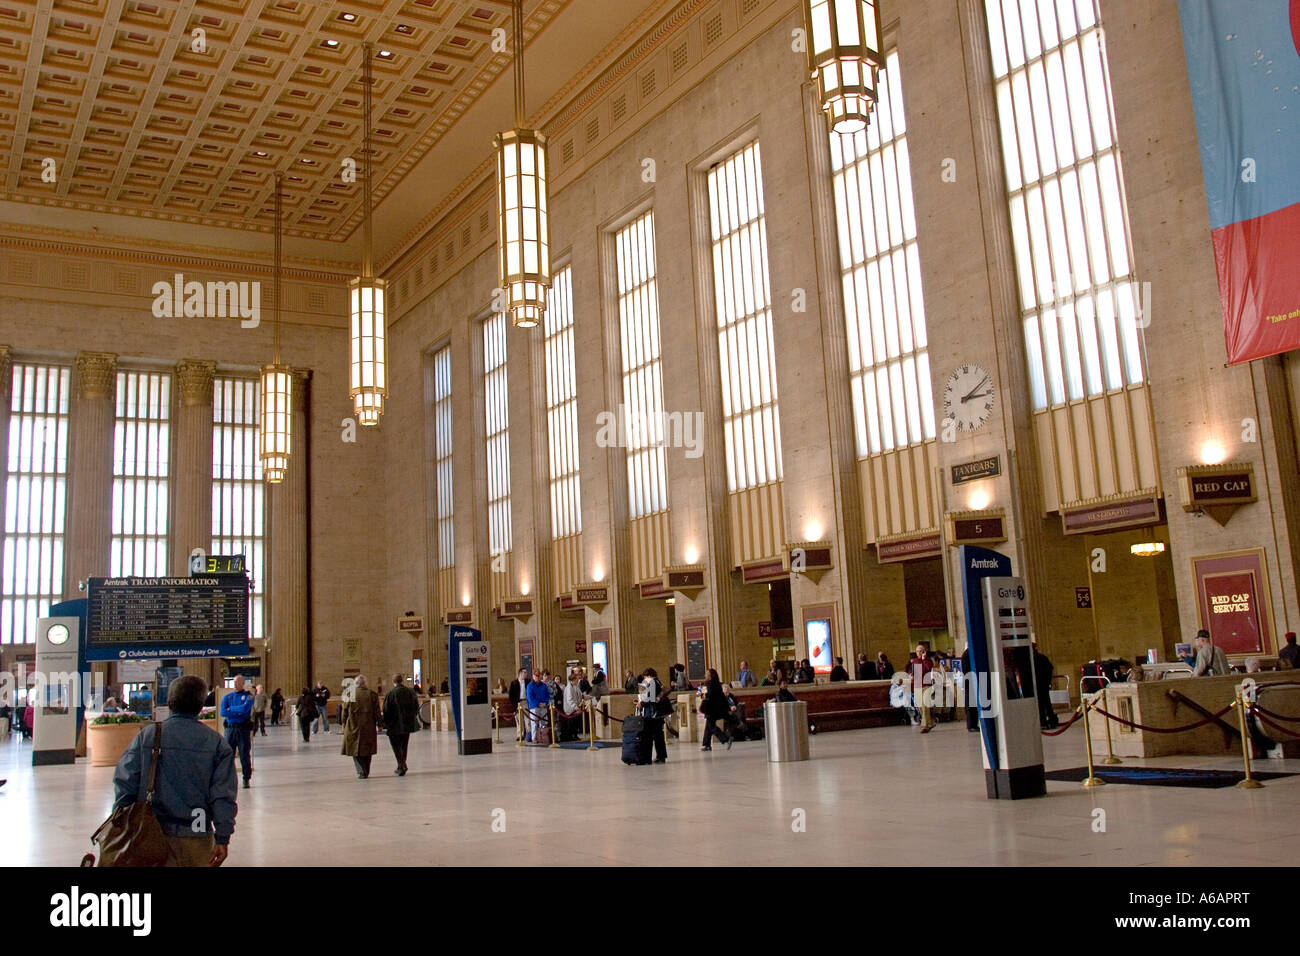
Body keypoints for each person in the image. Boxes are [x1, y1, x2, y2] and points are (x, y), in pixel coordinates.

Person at [112, 675, 236, 866]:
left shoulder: (147, 736)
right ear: (201, 705)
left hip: (151, 834)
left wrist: (120, 823)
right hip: (198, 834)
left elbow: (125, 783)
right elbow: (223, 796)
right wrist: (222, 837)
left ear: (169, 702)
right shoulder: (217, 743)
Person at [219, 675, 255, 788]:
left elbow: (245, 710)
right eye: (234, 682)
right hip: (230, 729)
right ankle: (228, 779)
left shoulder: (249, 696)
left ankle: (246, 778)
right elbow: (223, 712)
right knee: (228, 755)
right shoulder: (228, 697)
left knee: (244, 754)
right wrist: (236, 710)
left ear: (243, 683)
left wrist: (231, 709)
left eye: (237, 682)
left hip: (242, 729)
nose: (235, 684)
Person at [342, 675, 380, 778]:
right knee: (368, 749)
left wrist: (343, 723)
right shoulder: (372, 694)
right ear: (364, 683)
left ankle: (361, 770)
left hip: (353, 724)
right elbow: (377, 712)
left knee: (354, 747)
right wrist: (380, 724)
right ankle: (366, 770)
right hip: (368, 725)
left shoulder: (350, 694)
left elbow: (344, 710)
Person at [382, 674, 420, 776]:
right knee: (404, 745)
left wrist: (384, 723)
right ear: (402, 680)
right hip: (407, 723)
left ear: (393, 682)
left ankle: (402, 765)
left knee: (395, 745)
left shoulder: (390, 694)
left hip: (394, 724)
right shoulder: (410, 692)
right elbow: (417, 706)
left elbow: (386, 710)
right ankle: (401, 765)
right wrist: (412, 717)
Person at [698, 669, 733, 752]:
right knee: (708, 726)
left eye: (706, 674)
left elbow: (706, 696)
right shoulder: (717, 684)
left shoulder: (707, 684)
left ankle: (726, 739)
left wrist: (701, 694)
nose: (705, 675)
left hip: (709, 708)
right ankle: (707, 745)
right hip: (717, 708)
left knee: (711, 726)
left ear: (710, 676)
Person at [638, 668, 668, 763]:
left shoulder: (653, 683)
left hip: (652, 713)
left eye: (645, 678)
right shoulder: (658, 682)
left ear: (648, 675)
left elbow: (650, 698)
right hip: (658, 713)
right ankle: (661, 755)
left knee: (651, 735)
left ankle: (651, 757)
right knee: (658, 735)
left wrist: (641, 703)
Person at [1032, 644, 1057, 730]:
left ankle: (1044, 722)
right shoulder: (1042, 657)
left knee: (1042, 704)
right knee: (1046, 703)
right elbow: (1050, 668)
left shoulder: (1035, 659)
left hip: (1040, 684)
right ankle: (1051, 721)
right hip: (1043, 684)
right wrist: (1048, 681)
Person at [912, 643, 936, 734]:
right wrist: (912, 675)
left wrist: (924, 659)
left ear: (924, 652)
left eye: (920, 651)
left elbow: (928, 668)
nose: (918, 653)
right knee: (920, 706)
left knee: (924, 705)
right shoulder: (914, 661)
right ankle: (931, 722)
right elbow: (913, 671)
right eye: (917, 651)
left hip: (926, 685)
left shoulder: (928, 661)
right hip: (917, 685)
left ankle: (924, 726)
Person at [558, 671, 586, 742]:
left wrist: (589, 697)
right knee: (571, 723)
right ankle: (570, 736)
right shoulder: (568, 688)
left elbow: (581, 695)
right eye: (576, 679)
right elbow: (569, 699)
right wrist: (575, 707)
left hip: (576, 708)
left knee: (576, 723)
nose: (578, 680)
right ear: (573, 680)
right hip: (570, 709)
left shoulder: (576, 687)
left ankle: (575, 735)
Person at [525, 669, 550, 743]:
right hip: (534, 707)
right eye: (536, 676)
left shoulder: (544, 685)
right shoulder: (530, 686)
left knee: (544, 723)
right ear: (533, 676)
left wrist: (545, 703)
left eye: (539, 676)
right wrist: (538, 703)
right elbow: (530, 697)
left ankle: (543, 737)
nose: (538, 677)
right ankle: (534, 738)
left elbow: (547, 696)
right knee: (534, 723)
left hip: (543, 707)